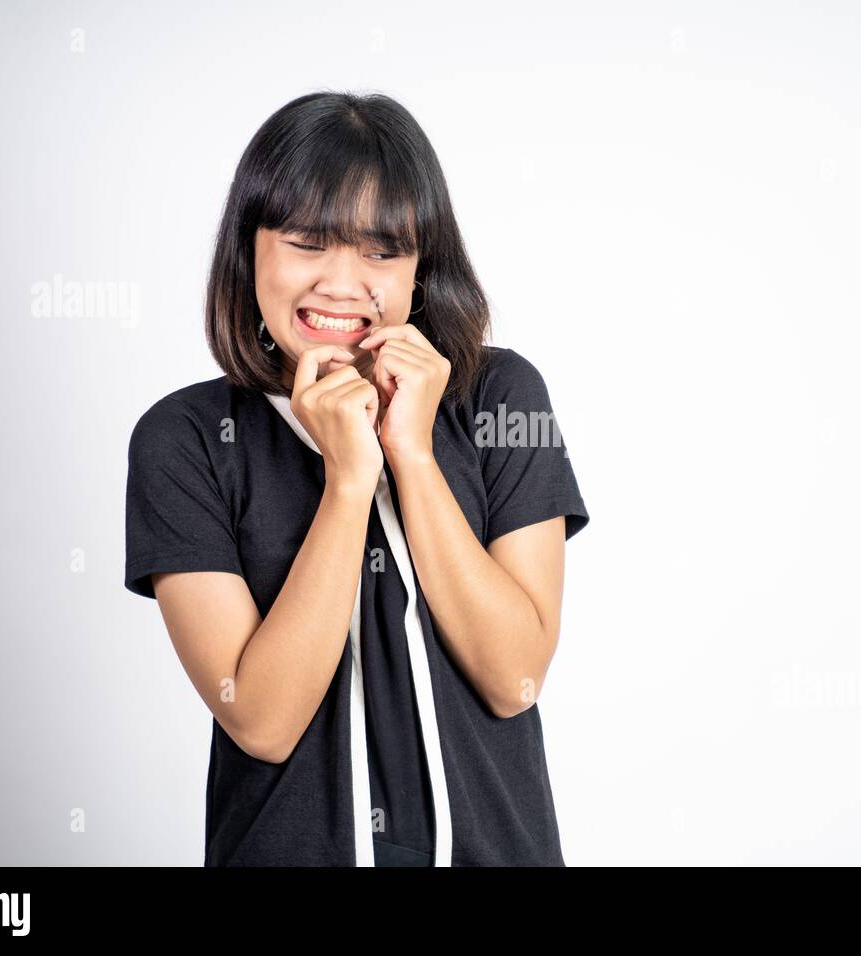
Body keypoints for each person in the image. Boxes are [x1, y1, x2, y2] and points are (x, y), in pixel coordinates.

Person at [123, 90, 589, 866]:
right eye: (308, 242)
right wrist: (346, 483)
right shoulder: (187, 439)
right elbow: (264, 722)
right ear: (251, 251)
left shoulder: (502, 398)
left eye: (382, 251)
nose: (345, 284)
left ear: (420, 266)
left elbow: (514, 678)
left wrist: (410, 453)